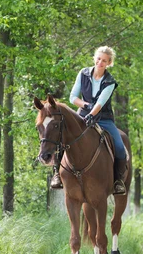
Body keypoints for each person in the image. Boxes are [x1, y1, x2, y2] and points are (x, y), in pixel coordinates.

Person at [50, 46, 128, 195]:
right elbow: (73, 97)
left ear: (109, 63)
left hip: (103, 118)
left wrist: (92, 113)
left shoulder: (110, 82)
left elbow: (101, 102)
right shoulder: (83, 73)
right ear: (94, 58)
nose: (100, 62)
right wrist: (86, 106)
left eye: (104, 61)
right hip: (82, 116)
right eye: (98, 59)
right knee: (61, 138)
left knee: (119, 146)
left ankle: (118, 181)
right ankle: (56, 174)